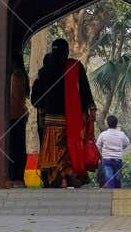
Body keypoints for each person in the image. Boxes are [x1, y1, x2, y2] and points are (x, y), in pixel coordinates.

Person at [30, 38, 96, 187]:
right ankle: (71, 175)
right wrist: (90, 107)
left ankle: (58, 179)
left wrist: (43, 110)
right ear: (66, 51)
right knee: (69, 149)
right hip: (71, 120)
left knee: (53, 153)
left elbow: (36, 99)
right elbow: (85, 90)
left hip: (51, 121)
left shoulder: (44, 71)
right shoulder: (74, 67)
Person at [7, 52, 29, 185]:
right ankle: (17, 176)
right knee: (19, 147)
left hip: (14, 116)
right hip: (18, 115)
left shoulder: (16, 76)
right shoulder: (21, 76)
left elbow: (13, 99)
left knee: (15, 148)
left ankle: (16, 176)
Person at [95, 114, 131, 189]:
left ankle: (110, 195)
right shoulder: (121, 134)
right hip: (118, 159)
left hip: (106, 159)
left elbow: (97, 145)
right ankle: (118, 195)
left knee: (109, 178)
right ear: (116, 123)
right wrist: (121, 149)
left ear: (107, 123)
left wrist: (101, 154)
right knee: (117, 179)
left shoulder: (103, 134)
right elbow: (127, 142)